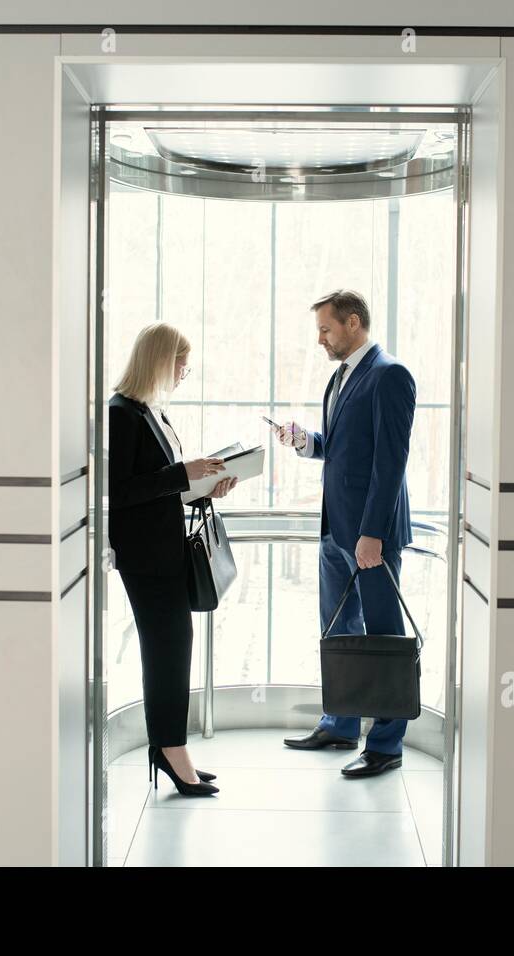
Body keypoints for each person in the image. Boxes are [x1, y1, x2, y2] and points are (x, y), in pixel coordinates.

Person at [273, 290, 417, 777]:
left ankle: (386, 744)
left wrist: (373, 534)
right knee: (338, 630)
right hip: (336, 531)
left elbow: (390, 462)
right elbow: (339, 450)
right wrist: (305, 442)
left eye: (325, 329)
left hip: (370, 537)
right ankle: (340, 721)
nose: (320, 339)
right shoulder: (341, 378)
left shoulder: (390, 375)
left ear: (353, 323)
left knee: (381, 636)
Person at [108, 323, 239, 796]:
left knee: (173, 651)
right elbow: (117, 493)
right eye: (180, 364)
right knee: (165, 652)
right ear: (159, 360)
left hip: (165, 552)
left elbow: (164, 489)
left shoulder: (151, 413)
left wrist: (203, 485)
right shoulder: (121, 413)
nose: (184, 374)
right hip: (144, 559)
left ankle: (171, 747)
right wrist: (181, 474)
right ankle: (169, 750)